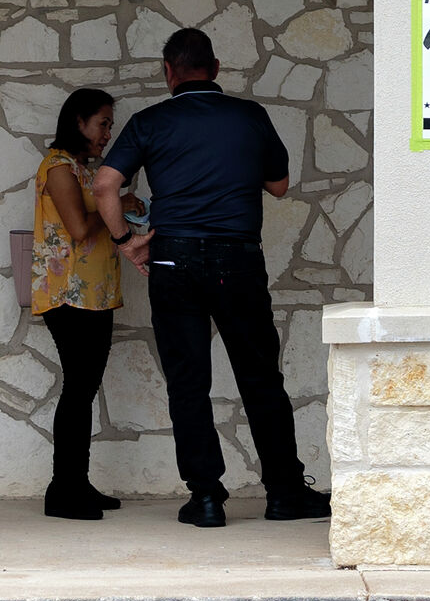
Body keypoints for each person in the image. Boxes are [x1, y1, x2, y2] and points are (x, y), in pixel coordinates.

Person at [91, 29, 330, 529]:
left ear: (168, 72)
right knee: (260, 377)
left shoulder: (150, 121)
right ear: (216, 68)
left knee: (188, 380)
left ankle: (204, 498)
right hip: (236, 257)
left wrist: (126, 242)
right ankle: (285, 494)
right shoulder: (249, 116)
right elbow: (280, 185)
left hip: (172, 258)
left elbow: (105, 185)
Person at [30, 88, 134, 520]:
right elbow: (77, 228)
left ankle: (75, 483)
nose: (108, 133)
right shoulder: (58, 167)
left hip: (93, 296)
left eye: (110, 124)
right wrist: (118, 205)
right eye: (103, 123)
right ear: (79, 121)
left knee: (83, 389)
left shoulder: (81, 168)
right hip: (68, 296)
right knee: (78, 389)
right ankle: (64, 491)